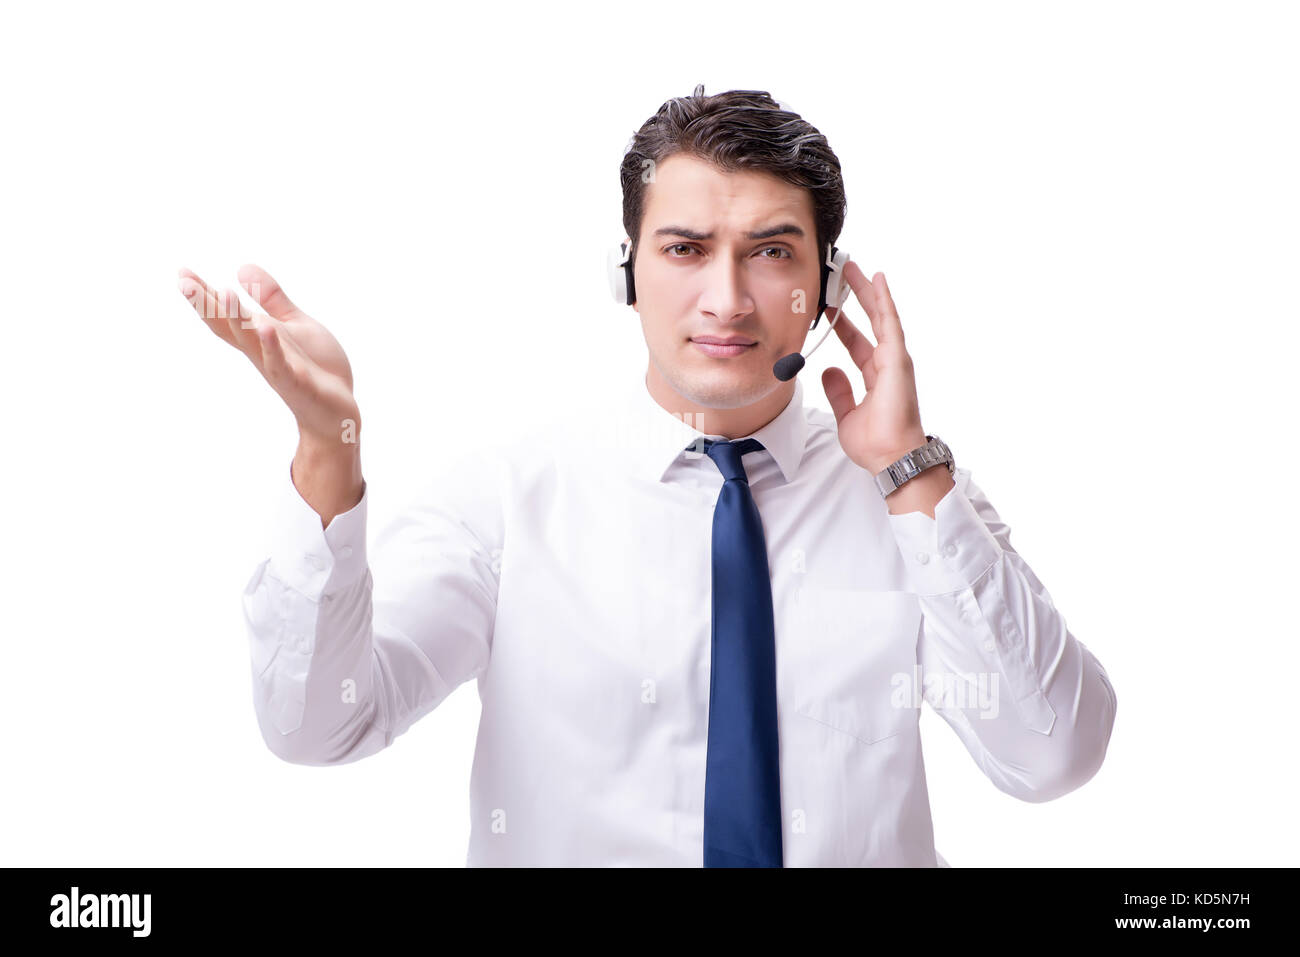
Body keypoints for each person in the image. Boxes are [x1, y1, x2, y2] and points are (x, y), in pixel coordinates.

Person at [178, 85, 1117, 867]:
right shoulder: (508, 500)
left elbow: (1053, 756)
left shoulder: (917, 502)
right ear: (627, 271)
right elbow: (317, 727)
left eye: (772, 252)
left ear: (827, 287)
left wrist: (912, 477)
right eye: (685, 248)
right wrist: (326, 446)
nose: (727, 299)